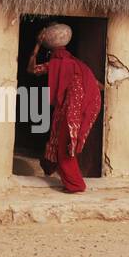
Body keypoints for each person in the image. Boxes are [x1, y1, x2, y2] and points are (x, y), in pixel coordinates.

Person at [25, 23, 102, 194]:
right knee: (66, 148)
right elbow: (99, 86)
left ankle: (76, 185)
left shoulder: (55, 64)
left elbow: (31, 69)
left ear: (53, 53)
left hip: (67, 116)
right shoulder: (80, 66)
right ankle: (70, 183)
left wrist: (37, 45)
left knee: (64, 149)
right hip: (74, 115)